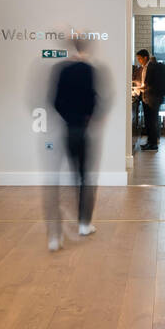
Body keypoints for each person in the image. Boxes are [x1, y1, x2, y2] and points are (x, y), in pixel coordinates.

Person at [49, 38, 100, 252]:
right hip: (82, 129)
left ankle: (56, 235)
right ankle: (83, 223)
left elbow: (55, 101)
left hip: (66, 128)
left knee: (62, 179)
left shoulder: (60, 69)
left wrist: (67, 117)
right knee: (84, 177)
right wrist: (87, 117)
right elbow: (93, 100)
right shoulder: (88, 70)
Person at [136, 49, 165, 150]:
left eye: (140, 58)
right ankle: (150, 142)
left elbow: (153, 83)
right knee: (148, 122)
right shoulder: (144, 68)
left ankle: (153, 144)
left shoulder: (152, 67)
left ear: (145, 57)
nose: (139, 60)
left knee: (152, 122)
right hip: (146, 98)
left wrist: (144, 87)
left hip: (153, 99)